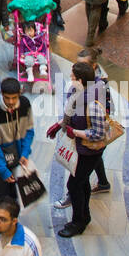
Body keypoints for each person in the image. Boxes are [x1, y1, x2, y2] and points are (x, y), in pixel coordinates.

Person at [46, 61, 107, 237]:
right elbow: (70, 114)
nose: (70, 78)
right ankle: (84, 216)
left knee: (74, 184)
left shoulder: (93, 104)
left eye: (72, 76)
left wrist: (75, 132)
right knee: (81, 182)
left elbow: (98, 133)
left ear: (80, 79)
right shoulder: (77, 94)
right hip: (82, 150)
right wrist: (60, 125)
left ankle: (78, 222)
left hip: (90, 152)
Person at [0, 77, 35, 205]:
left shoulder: (25, 105)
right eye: (7, 98)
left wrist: (25, 153)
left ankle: (13, 221)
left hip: (18, 158)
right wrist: (3, 170)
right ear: (1, 93)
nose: (10, 101)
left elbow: (29, 131)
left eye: (14, 98)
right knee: (1, 198)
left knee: (17, 195)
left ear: (19, 94)